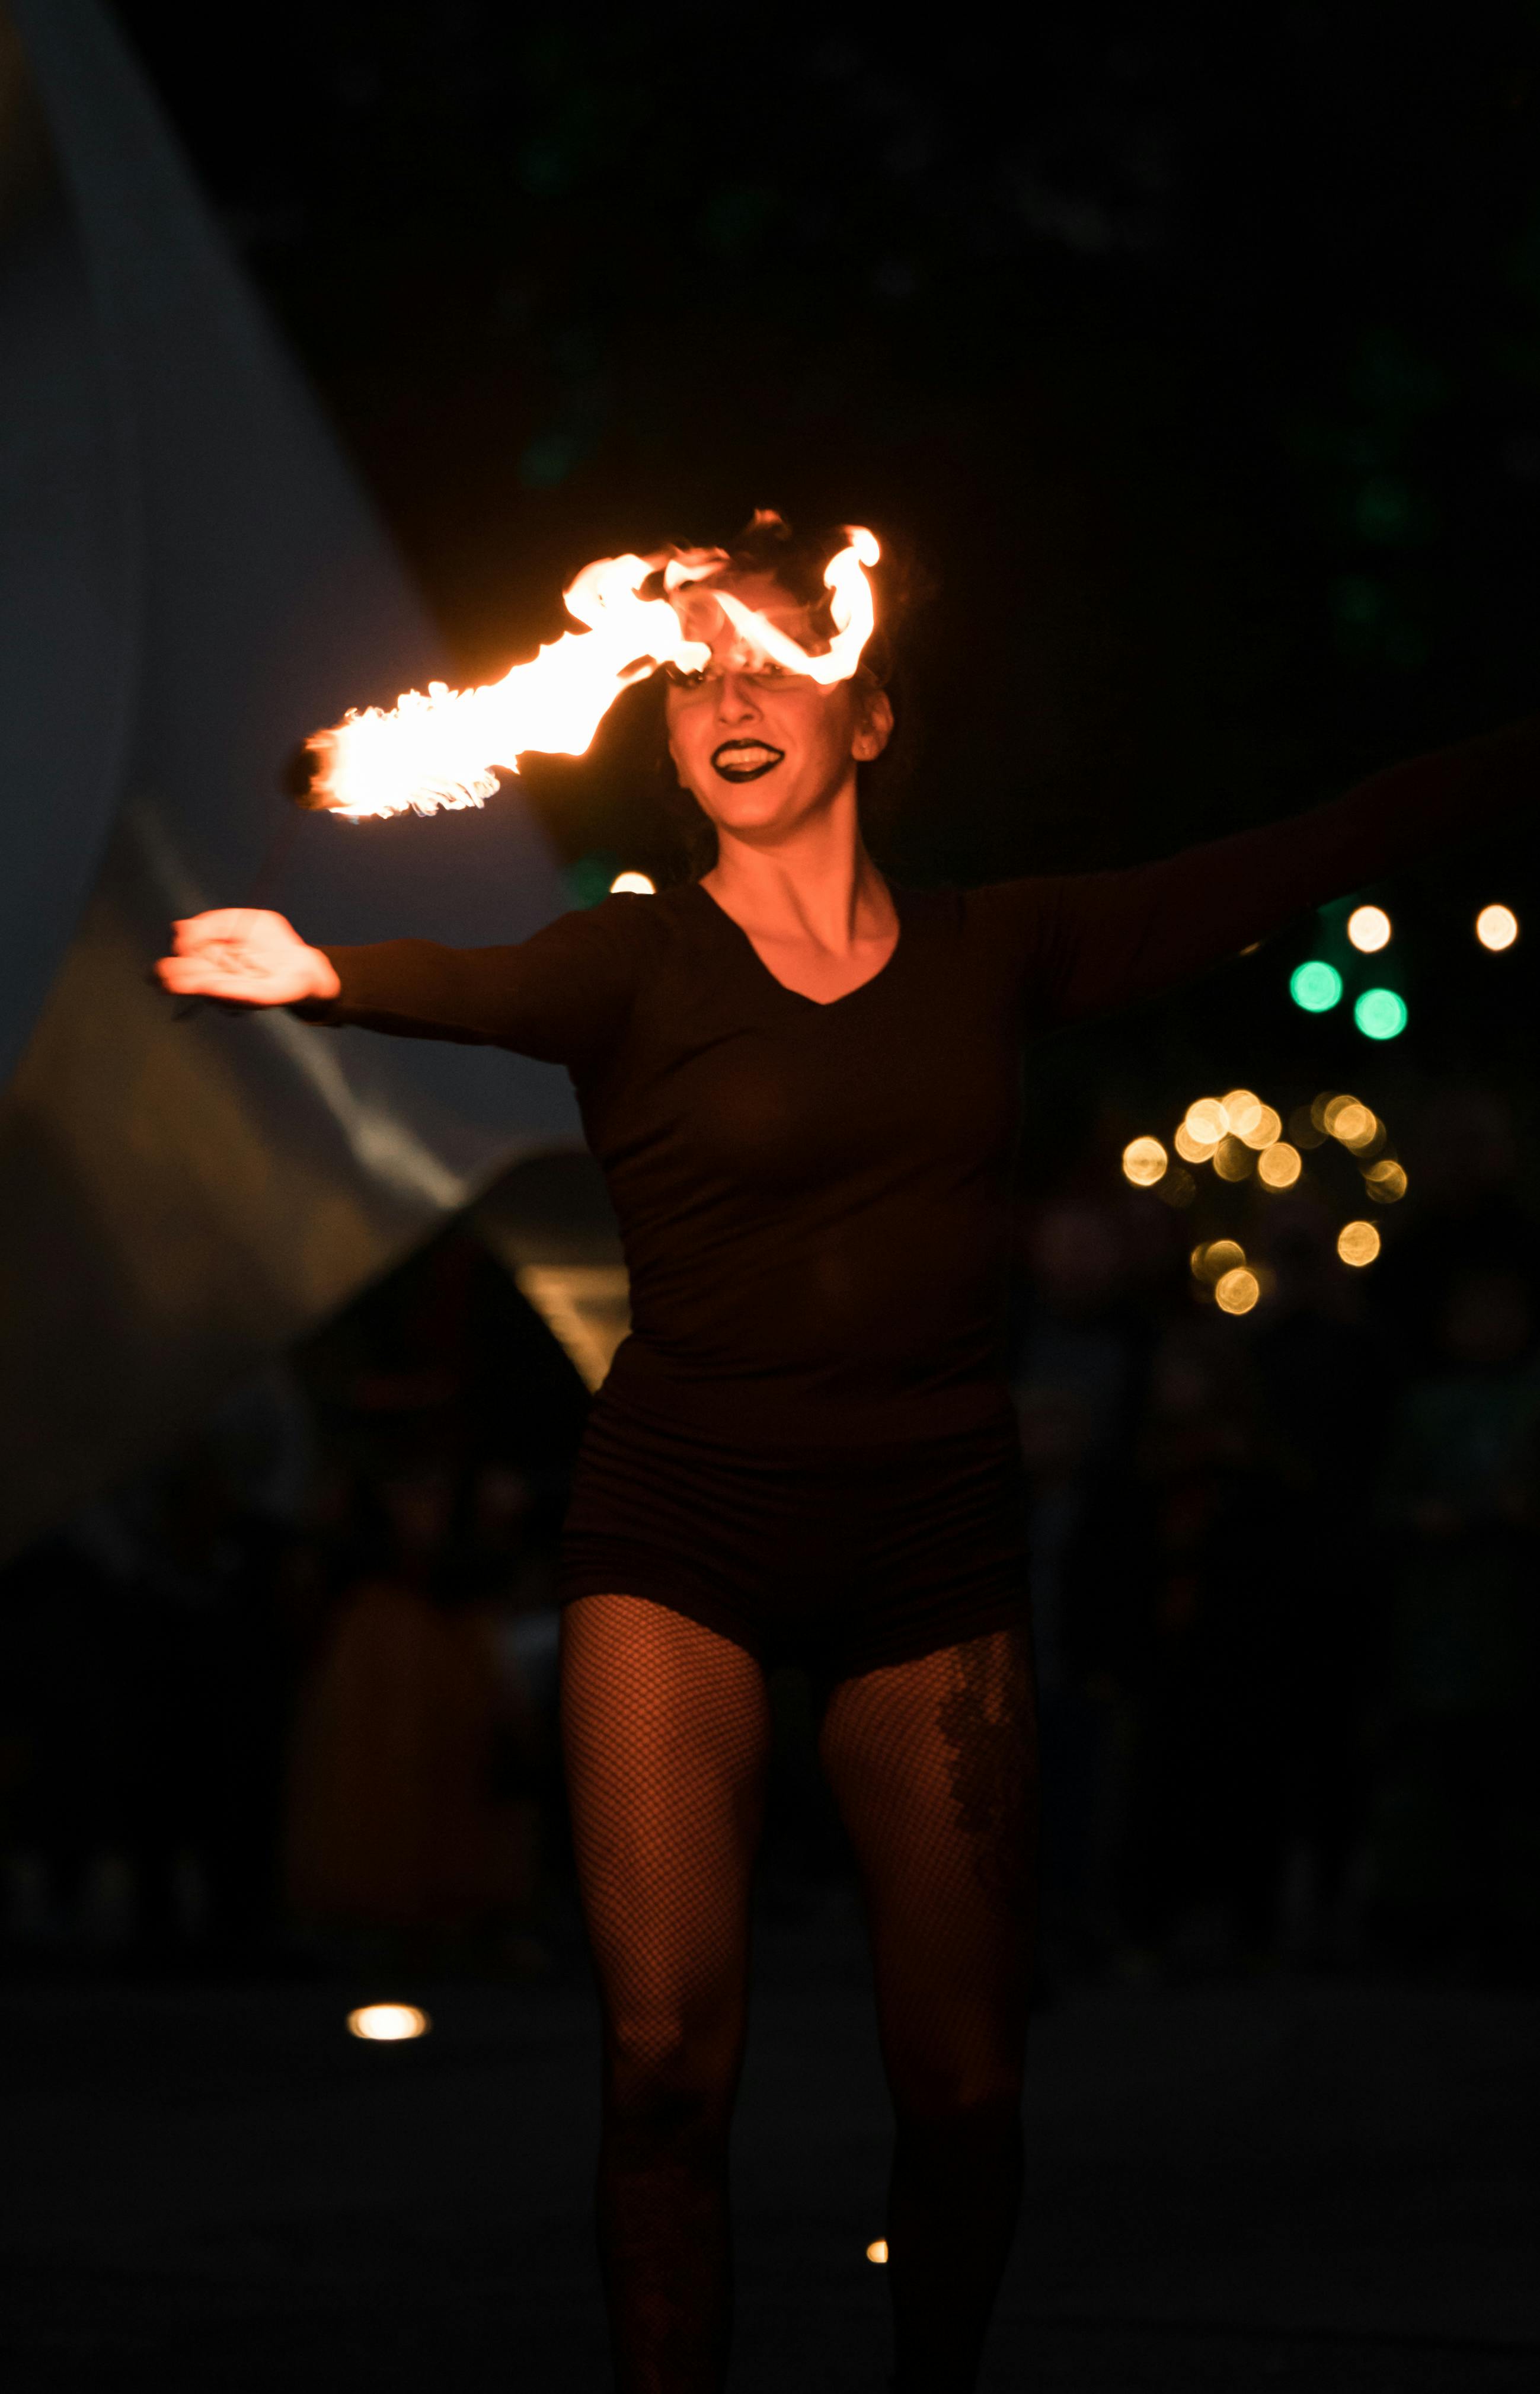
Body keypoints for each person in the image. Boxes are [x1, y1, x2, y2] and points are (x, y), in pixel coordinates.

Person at [157, 512, 1536, 2393]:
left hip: (932, 1557)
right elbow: (465, 986)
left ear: (865, 718)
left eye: (776, 668)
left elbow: (1295, 855)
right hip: (682, 1538)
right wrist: (316, 973)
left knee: (966, 2087)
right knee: (661, 2062)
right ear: (659, 736)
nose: (732, 699)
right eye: (699, 675)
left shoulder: (998, 950)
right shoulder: (626, 966)